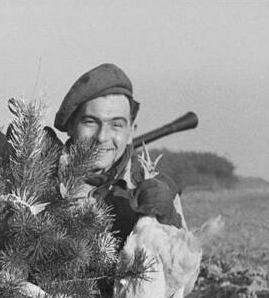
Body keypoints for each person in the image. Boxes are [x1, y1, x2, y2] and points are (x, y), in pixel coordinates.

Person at [53, 62, 184, 246]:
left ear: (131, 132)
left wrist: (168, 219)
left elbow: (185, 271)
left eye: (116, 125)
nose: (102, 137)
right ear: (71, 127)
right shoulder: (41, 177)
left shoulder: (156, 186)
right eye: (90, 122)